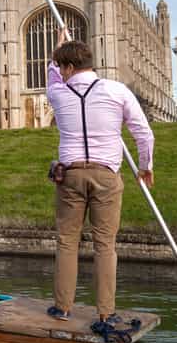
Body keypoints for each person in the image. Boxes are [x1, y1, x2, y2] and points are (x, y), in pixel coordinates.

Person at [46, 27, 154, 323]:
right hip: (106, 175)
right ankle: (106, 312)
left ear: (68, 67)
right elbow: (144, 134)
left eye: (63, 68)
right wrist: (146, 167)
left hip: (69, 176)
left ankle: (63, 307)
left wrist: (59, 44)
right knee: (105, 245)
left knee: (67, 242)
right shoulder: (116, 90)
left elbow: (51, 71)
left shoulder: (57, 92)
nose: (62, 73)